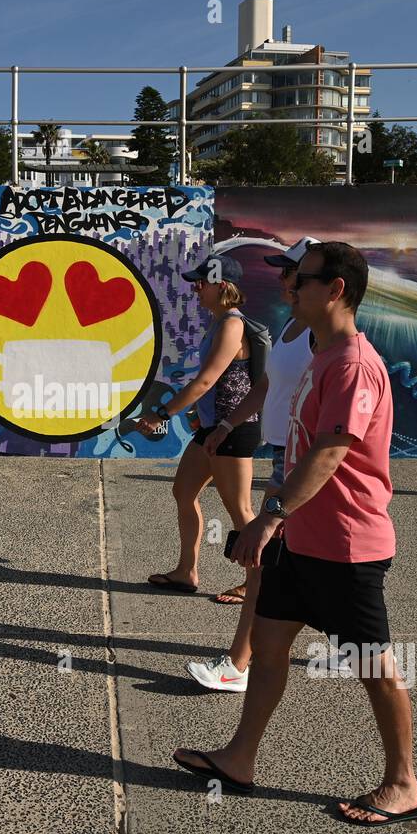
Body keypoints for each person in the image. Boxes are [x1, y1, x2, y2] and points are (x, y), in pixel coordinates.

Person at [173, 242, 417, 826]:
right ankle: (239, 759)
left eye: (302, 281)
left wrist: (270, 515)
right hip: (301, 536)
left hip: (345, 543)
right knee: (267, 648)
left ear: (335, 289)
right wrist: (280, 512)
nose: (290, 289)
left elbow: (333, 449)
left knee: (373, 665)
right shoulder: (320, 352)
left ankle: (403, 783)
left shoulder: (352, 364)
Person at [185, 236, 321, 692]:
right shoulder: (290, 327)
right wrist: (227, 425)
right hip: (284, 452)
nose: (281, 279)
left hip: (306, 458)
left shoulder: (326, 338)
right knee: (306, 561)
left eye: (289, 272)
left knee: (273, 555)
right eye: (282, 272)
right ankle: (351, 644)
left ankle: (238, 665)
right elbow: (263, 386)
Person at [135, 253, 262, 610]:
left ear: (222, 286)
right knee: (183, 491)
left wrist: (163, 413)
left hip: (232, 429)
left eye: (201, 283)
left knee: (241, 511)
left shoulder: (232, 325)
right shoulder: (218, 322)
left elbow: (206, 380)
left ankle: (259, 583)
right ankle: (186, 572)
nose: (196, 289)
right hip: (211, 429)